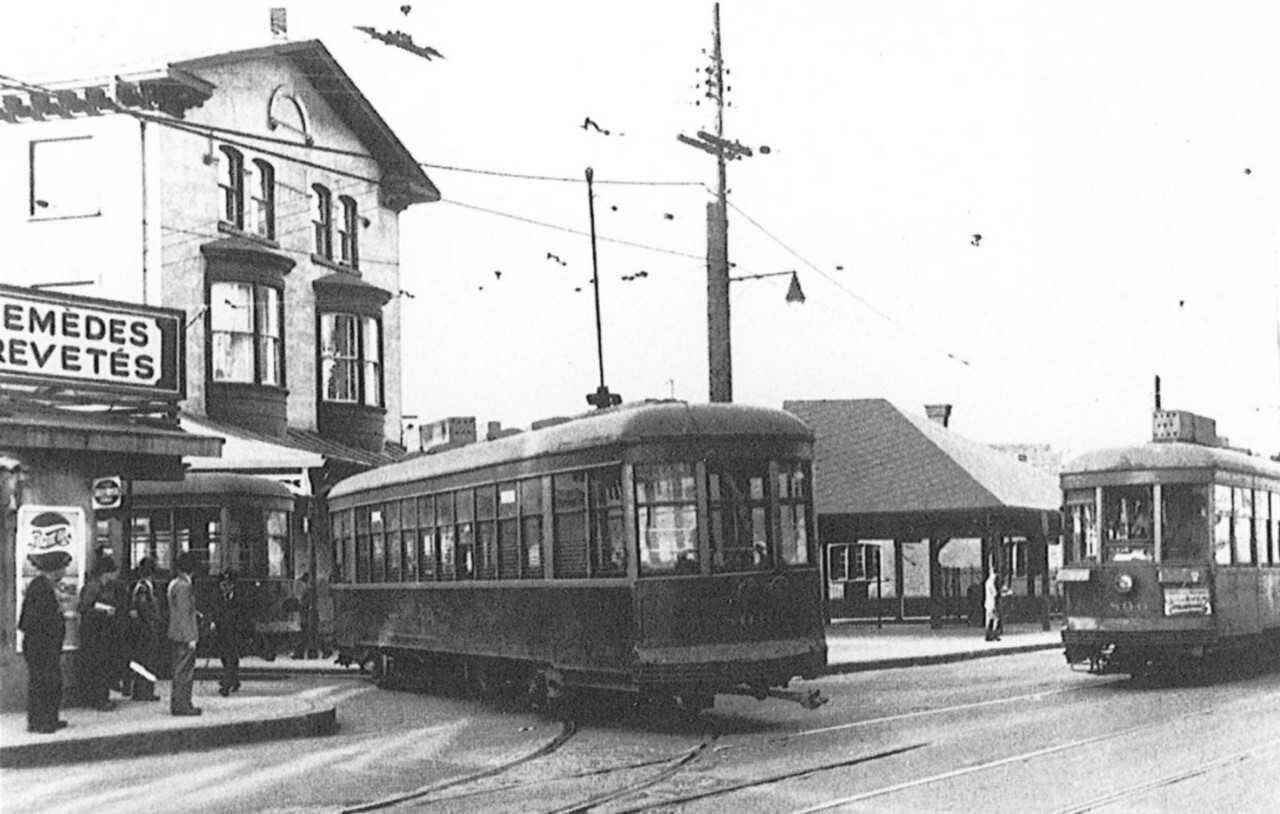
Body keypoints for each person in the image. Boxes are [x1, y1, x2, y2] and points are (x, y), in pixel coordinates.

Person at [18, 550, 72, 734]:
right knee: (42, 683)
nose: (64, 571)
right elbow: (32, 620)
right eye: (63, 567)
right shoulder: (39, 587)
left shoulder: (47, 585)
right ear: (54, 569)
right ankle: (38, 721)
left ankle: (50, 717)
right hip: (40, 646)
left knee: (52, 682)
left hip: (48, 646)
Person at [77, 554, 121, 710]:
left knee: (101, 666)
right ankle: (99, 699)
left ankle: (100, 698)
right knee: (99, 667)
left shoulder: (102, 586)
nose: (115, 575)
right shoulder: (93, 586)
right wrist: (104, 609)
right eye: (113, 571)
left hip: (102, 633)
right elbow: (84, 607)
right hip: (94, 634)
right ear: (106, 572)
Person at [167, 551, 202, 716]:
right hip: (184, 635)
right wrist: (191, 638)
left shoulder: (174, 583)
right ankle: (183, 705)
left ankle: (178, 703)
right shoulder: (184, 586)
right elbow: (183, 613)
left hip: (175, 633)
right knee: (185, 672)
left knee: (178, 670)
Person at [127, 558, 162, 702]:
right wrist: (152, 622)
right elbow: (143, 607)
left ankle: (143, 690)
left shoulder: (141, 585)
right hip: (145, 629)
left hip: (143, 628)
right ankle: (144, 691)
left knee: (144, 659)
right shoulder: (144, 587)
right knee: (146, 659)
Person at [211, 570, 251, 696]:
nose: (225, 587)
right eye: (223, 584)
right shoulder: (217, 597)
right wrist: (212, 622)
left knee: (231, 657)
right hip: (221, 631)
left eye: (228, 584)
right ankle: (234, 680)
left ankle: (226, 684)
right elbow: (213, 611)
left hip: (235, 632)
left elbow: (245, 615)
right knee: (225, 657)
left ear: (233, 585)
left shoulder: (240, 597)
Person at [293, 572, 317, 660]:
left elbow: (302, 601)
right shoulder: (308, 588)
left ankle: (302, 653)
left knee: (304, 635)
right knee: (308, 635)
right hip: (307, 616)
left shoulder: (305, 588)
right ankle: (310, 652)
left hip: (306, 616)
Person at [984, 568, 1003, 642]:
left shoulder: (987, 582)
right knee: (996, 618)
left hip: (987, 603)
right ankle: (994, 634)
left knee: (988, 619)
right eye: (995, 574)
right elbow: (995, 593)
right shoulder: (991, 583)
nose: (995, 576)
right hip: (992, 603)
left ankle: (987, 635)